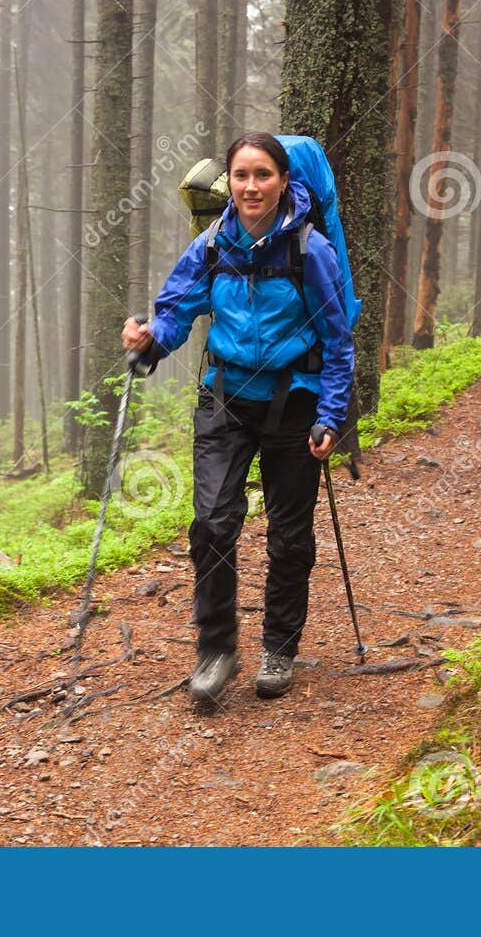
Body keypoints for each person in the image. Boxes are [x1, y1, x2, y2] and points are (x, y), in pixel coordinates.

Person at [121, 133, 356, 709]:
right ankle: (217, 649)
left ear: (283, 181)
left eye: (264, 175)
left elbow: (338, 340)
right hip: (225, 398)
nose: (252, 186)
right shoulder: (212, 242)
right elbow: (176, 310)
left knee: (289, 535)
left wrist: (330, 417)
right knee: (213, 524)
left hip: (294, 403)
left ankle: (279, 646)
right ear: (231, 182)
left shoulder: (310, 249)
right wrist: (149, 341)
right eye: (242, 175)